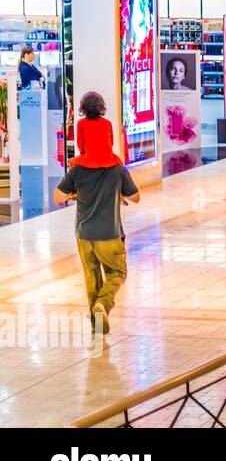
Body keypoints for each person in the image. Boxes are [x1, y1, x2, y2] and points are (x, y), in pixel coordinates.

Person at [53, 92, 140, 335]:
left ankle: (96, 322)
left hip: (83, 234)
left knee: (91, 276)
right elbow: (136, 196)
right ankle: (104, 304)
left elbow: (58, 197)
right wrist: (120, 195)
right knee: (117, 272)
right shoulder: (116, 167)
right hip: (109, 233)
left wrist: (76, 194)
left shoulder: (77, 169)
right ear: (108, 135)